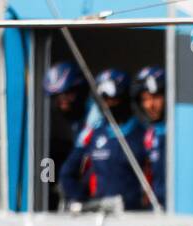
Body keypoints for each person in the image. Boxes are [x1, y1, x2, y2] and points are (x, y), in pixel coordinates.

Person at [58, 68, 148, 210]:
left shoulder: (144, 134)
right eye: (103, 99)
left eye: (113, 98)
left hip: (136, 219)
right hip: (100, 218)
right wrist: (83, 202)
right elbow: (67, 173)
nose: (107, 104)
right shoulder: (93, 133)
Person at [43, 62, 91, 205]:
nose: (63, 102)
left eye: (68, 94)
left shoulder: (97, 118)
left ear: (81, 90)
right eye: (58, 97)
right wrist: (49, 186)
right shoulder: (72, 123)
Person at [133, 65, 166, 209]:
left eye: (155, 97)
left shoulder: (182, 132)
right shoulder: (149, 135)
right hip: (156, 212)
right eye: (144, 99)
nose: (149, 105)